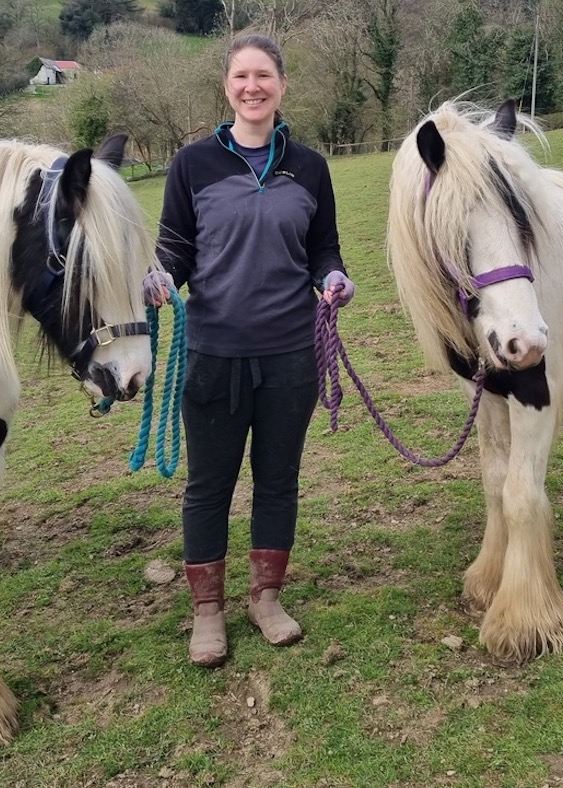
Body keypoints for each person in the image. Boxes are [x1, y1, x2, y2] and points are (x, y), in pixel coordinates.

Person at [143, 32, 355, 668]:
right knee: (208, 486)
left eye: (263, 76)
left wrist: (333, 276)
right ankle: (207, 611)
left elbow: (324, 246)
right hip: (213, 355)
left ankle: (266, 597)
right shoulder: (192, 164)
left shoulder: (310, 167)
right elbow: (176, 247)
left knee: (278, 481)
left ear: (282, 86)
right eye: (241, 77)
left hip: (291, 355)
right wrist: (158, 275)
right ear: (227, 87)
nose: (252, 87)